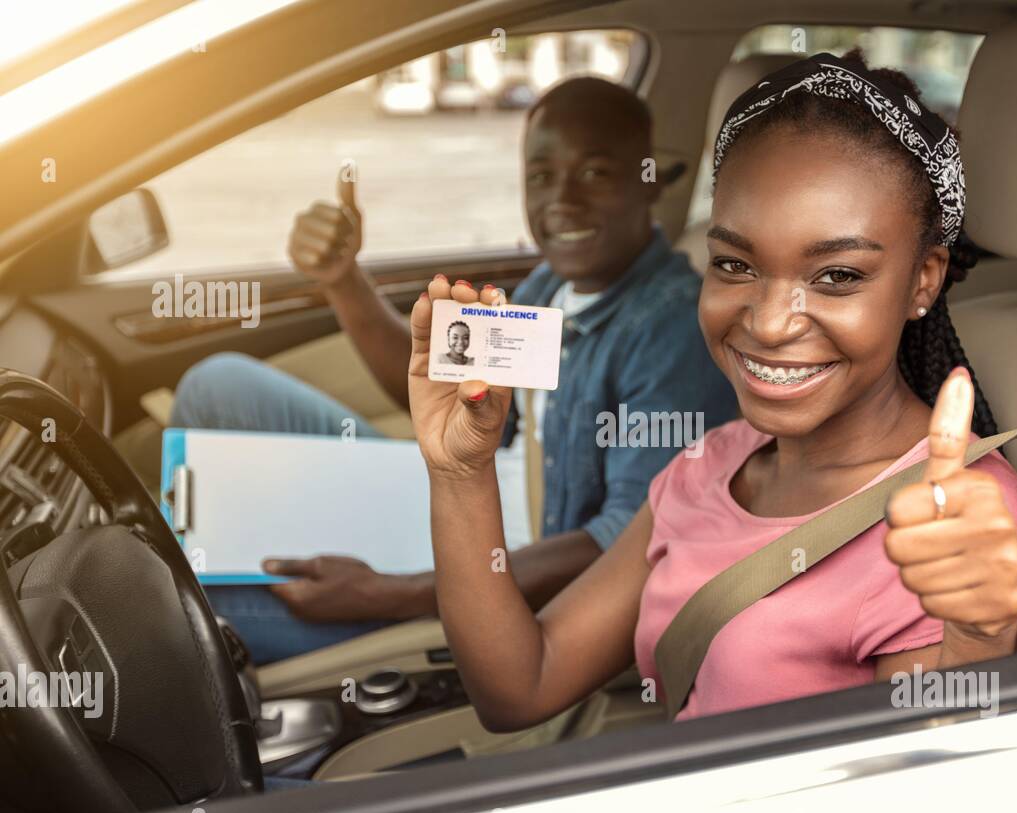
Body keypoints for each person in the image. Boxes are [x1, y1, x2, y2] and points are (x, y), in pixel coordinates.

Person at [407, 51, 1017, 728]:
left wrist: (980, 644)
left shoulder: (956, 521)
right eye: (735, 264)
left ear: (923, 279)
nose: (770, 324)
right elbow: (519, 688)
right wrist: (459, 473)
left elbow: (917, 803)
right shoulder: (711, 463)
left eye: (837, 275)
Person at [169, 77, 735, 663]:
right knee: (215, 387)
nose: (562, 199)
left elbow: (627, 544)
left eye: (594, 172)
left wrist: (388, 593)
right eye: (541, 176)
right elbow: (435, 395)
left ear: (650, 181)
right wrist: (342, 278)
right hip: (457, 495)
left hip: (499, 577)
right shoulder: (552, 287)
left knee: (186, 604)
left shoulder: (671, 332)